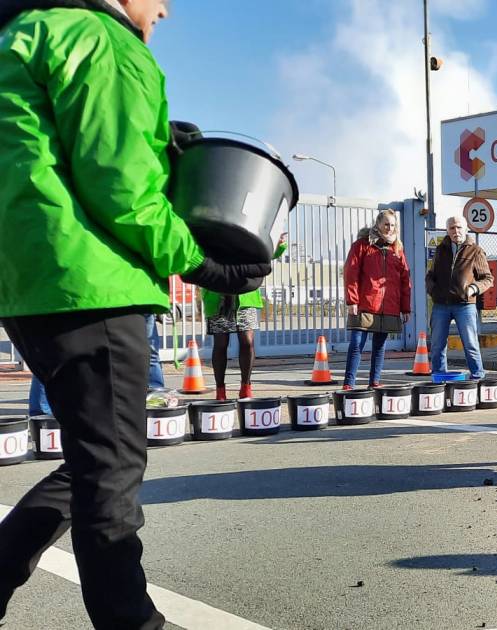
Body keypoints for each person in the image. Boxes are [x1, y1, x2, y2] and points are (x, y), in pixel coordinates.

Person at [0, 2, 271, 628]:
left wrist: (158, 143)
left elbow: (53, 153)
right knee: (112, 476)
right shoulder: (101, 38)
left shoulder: (25, 31)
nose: (165, 9)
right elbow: (123, 188)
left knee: (97, 459)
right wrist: (202, 263)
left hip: (30, 285)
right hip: (93, 285)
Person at [202, 233, 288, 400]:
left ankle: (245, 386)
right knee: (221, 344)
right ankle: (220, 390)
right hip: (218, 296)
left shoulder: (245, 232)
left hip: (245, 296)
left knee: (247, 342)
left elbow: (263, 255)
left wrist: (278, 246)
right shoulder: (212, 232)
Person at [342, 210, 411, 389]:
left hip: (389, 306)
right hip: (365, 303)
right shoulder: (362, 245)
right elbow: (351, 273)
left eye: (393, 225)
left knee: (379, 346)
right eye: (386, 224)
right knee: (356, 344)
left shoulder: (397, 249)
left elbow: (405, 280)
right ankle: (348, 384)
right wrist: (352, 300)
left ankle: (374, 383)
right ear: (378, 224)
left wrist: (405, 308)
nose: (389, 228)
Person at [427, 215, 492, 380]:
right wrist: (433, 290)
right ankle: (439, 377)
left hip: (465, 305)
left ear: (466, 229)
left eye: (459, 227)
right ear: (447, 230)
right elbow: (430, 275)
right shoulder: (441, 249)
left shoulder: (476, 251)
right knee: (437, 345)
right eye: (452, 228)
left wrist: (473, 289)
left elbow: (487, 279)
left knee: (470, 344)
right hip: (441, 305)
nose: (456, 231)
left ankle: (477, 376)